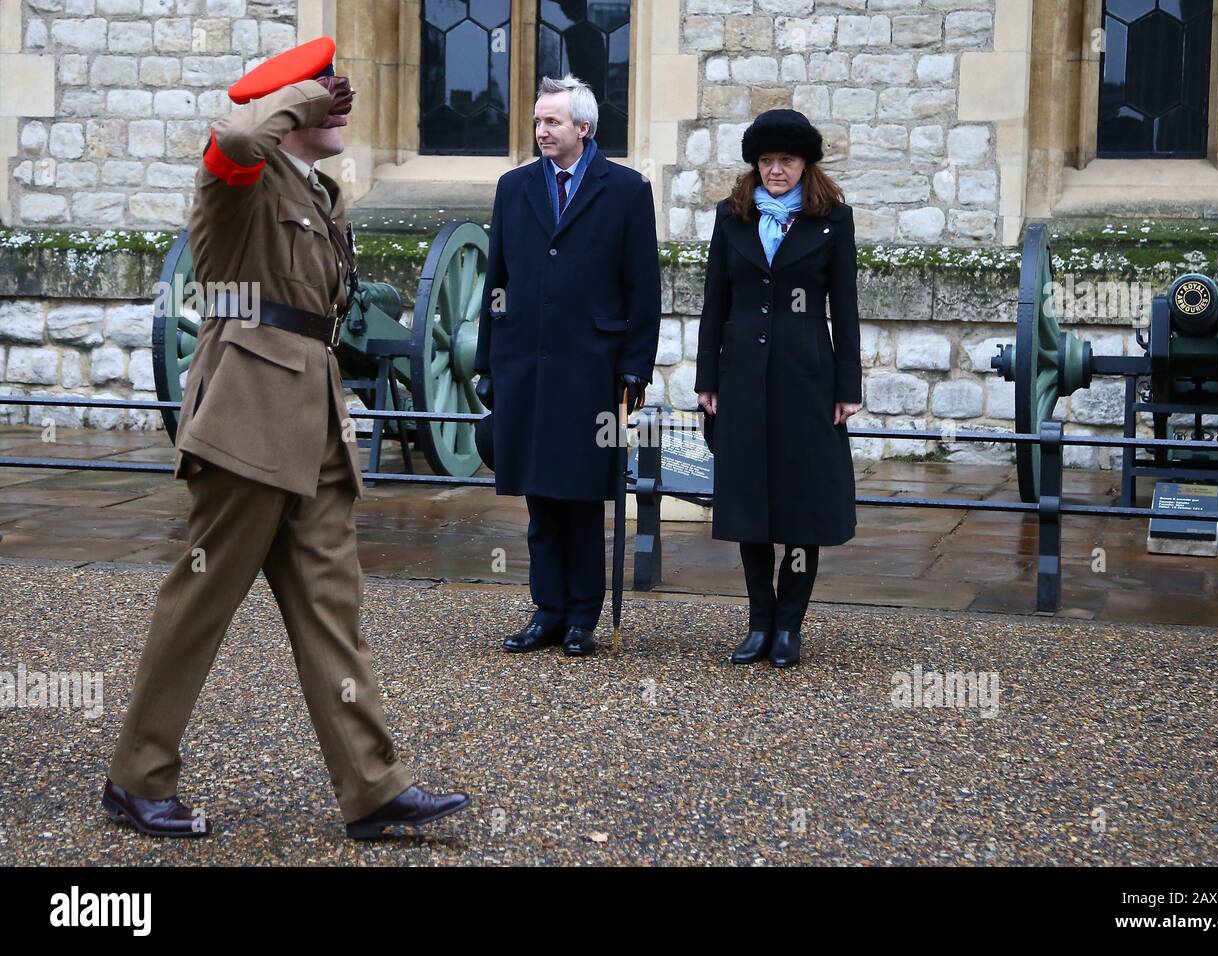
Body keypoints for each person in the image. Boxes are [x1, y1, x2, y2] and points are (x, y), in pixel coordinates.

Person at [103, 37, 470, 840]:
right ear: (292, 108)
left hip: (313, 426)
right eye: (327, 96)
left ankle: (373, 787)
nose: (342, 107)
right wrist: (301, 98)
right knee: (199, 604)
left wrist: (308, 107)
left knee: (333, 612)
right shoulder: (237, 178)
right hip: (245, 421)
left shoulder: (321, 192)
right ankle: (138, 777)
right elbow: (235, 140)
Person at [473, 74, 661, 657]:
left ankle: (583, 614)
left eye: (551, 121)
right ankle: (547, 610)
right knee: (538, 496)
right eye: (536, 121)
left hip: (591, 367)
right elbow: (496, 279)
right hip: (524, 363)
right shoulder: (514, 187)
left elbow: (643, 287)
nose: (540, 130)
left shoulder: (626, 190)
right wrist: (487, 360)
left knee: (581, 497)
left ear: (583, 127)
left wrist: (635, 366)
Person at [694, 109, 863, 669]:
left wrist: (848, 386)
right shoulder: (732, 217)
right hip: (740, 378)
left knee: (799, 506)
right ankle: (758, 622)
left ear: (804, 163)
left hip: (807, 381)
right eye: (766, 161)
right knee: (749, 505)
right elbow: (714, 302)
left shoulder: (832, 220)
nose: (775, 170)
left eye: (785, 160)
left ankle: (789, 626)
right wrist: (706, 380)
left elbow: (845, 307)